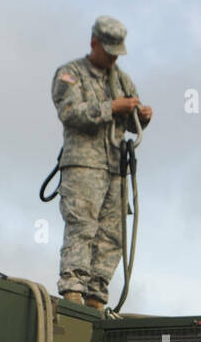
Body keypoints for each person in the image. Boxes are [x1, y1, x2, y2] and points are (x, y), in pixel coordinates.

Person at [51, 16, 153, 310]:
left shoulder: (122, 80)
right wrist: (113, 107)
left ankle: (97, 295)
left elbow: (131, 125)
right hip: (84, 166)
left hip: (116, 169)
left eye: (116, 53)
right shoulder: (71, 74)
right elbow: (71, 113)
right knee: (82, 227)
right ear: (94, 43)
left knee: (112, 234)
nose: (112, 58)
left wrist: (141, 117)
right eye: (108, 51)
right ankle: (73, 290)